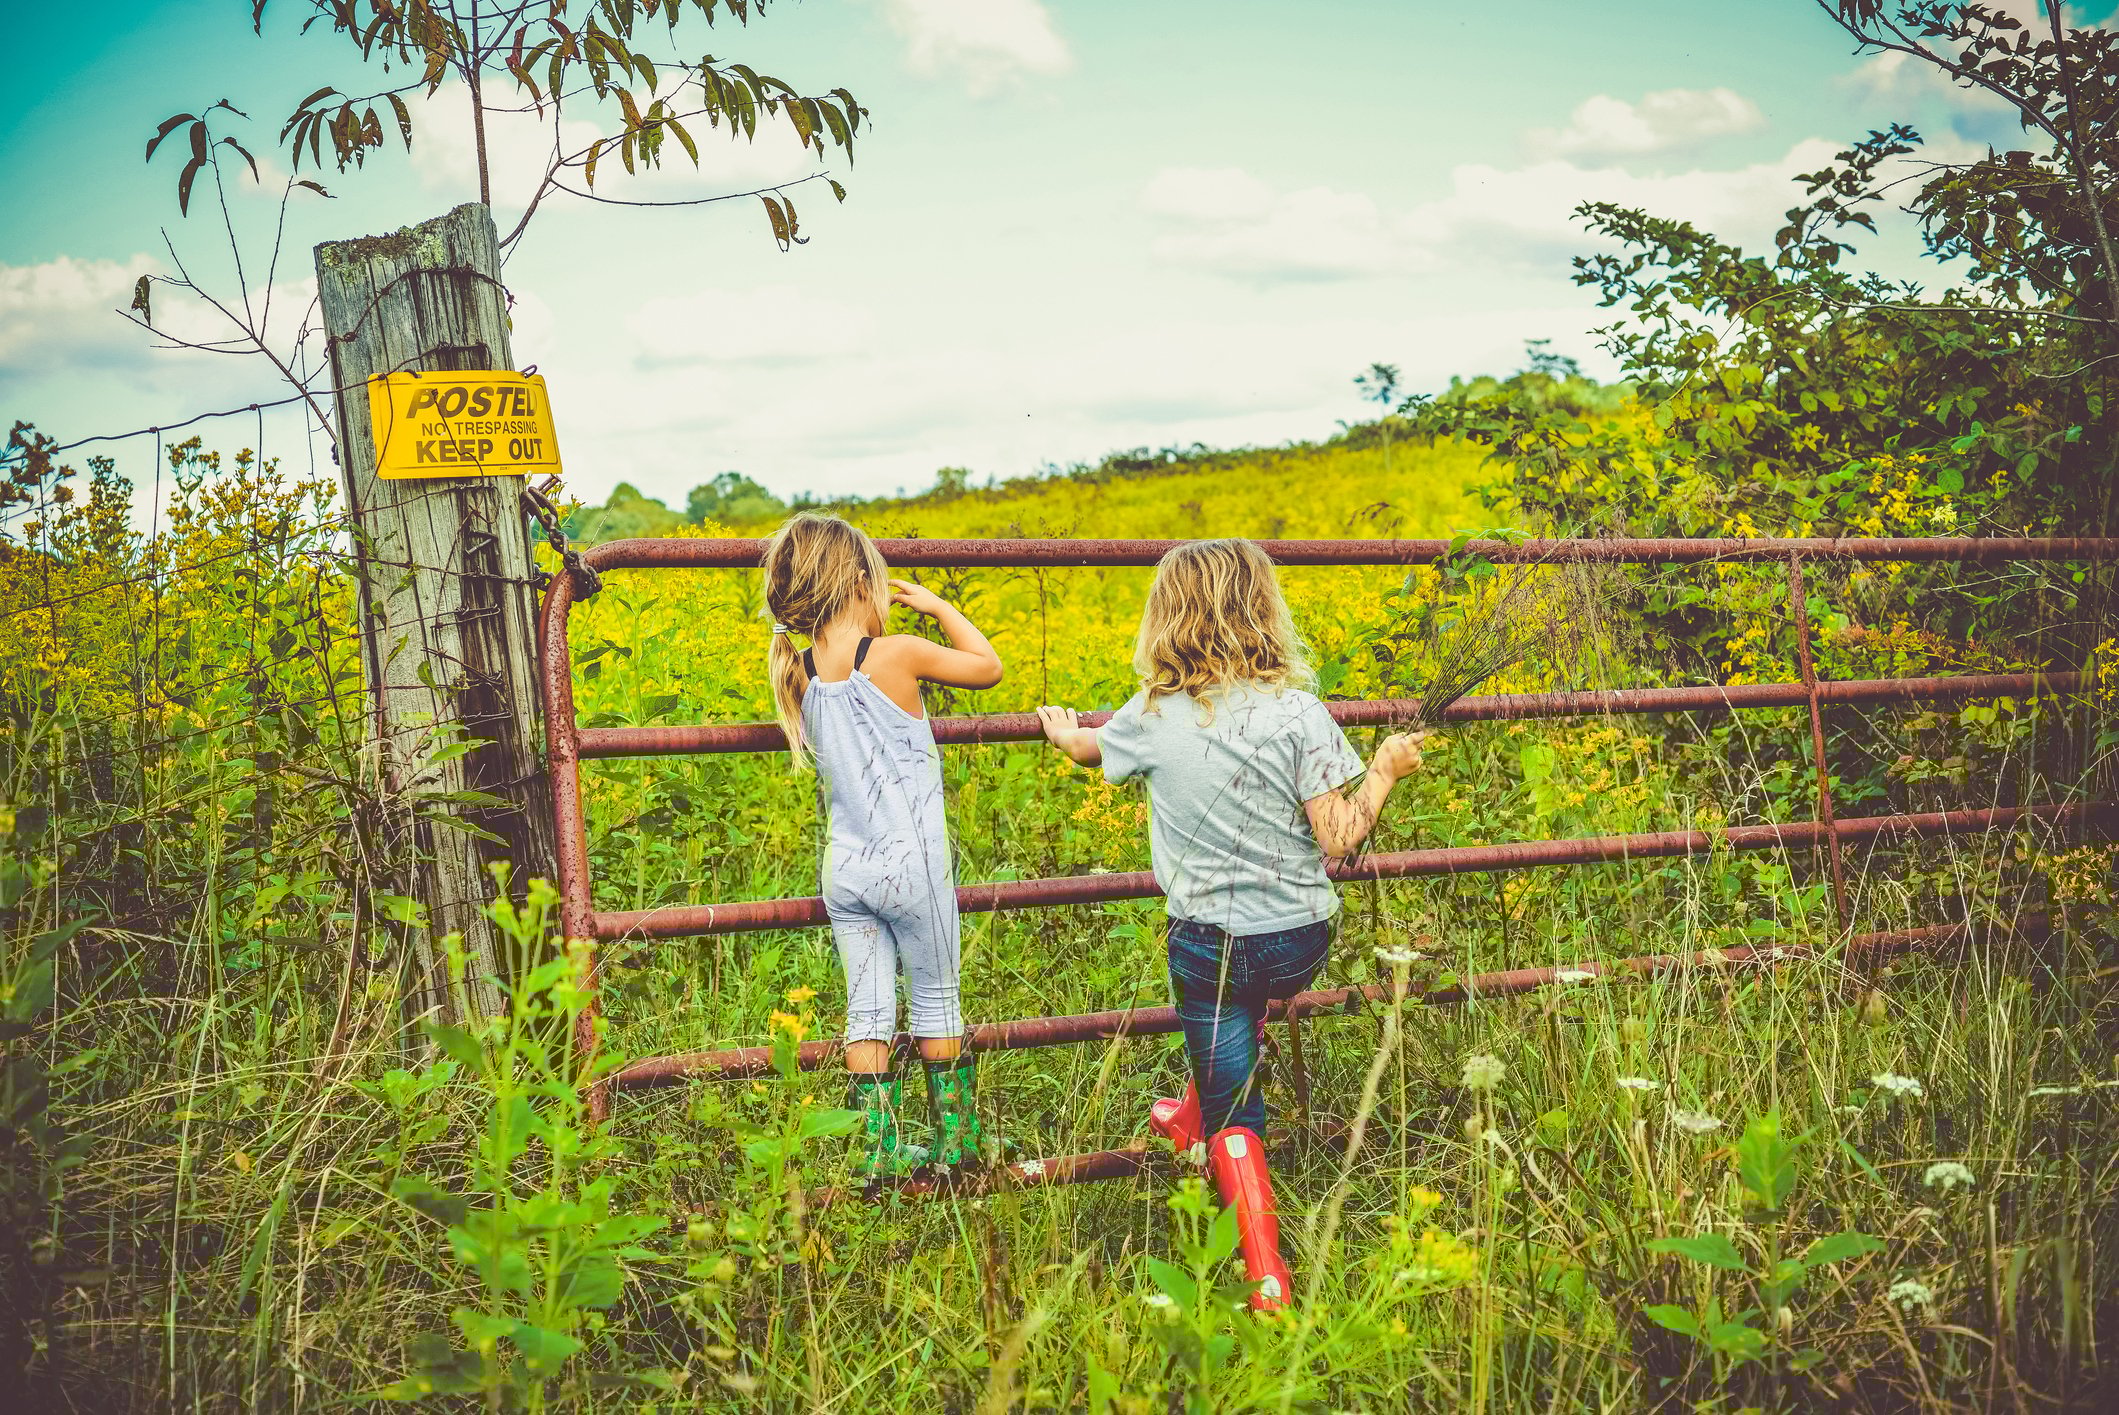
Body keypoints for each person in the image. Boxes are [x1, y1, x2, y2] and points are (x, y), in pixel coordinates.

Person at [1035, 539, 1422, 1304]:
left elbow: (1088, 749)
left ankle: (1266, 1275)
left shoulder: (1148, 714)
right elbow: (1340, 836)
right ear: (1262, 611)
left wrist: (1060, 733)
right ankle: (1186, 1109)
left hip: (1208, 944)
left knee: (1231, 1096)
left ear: (1164, 618)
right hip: (1299, 939)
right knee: (1236, 1017)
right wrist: (1381, 770)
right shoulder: (1297, 712)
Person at [763, 512, 1005, 1185]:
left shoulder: (799, 672)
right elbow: (988, 668)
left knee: (866, 1008)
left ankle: (880, 1149)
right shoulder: (895, 652)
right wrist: (937, 605)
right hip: (913, 865)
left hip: (846, 868)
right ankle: (955, 1144)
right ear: (861, 583)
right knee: (935, 999)